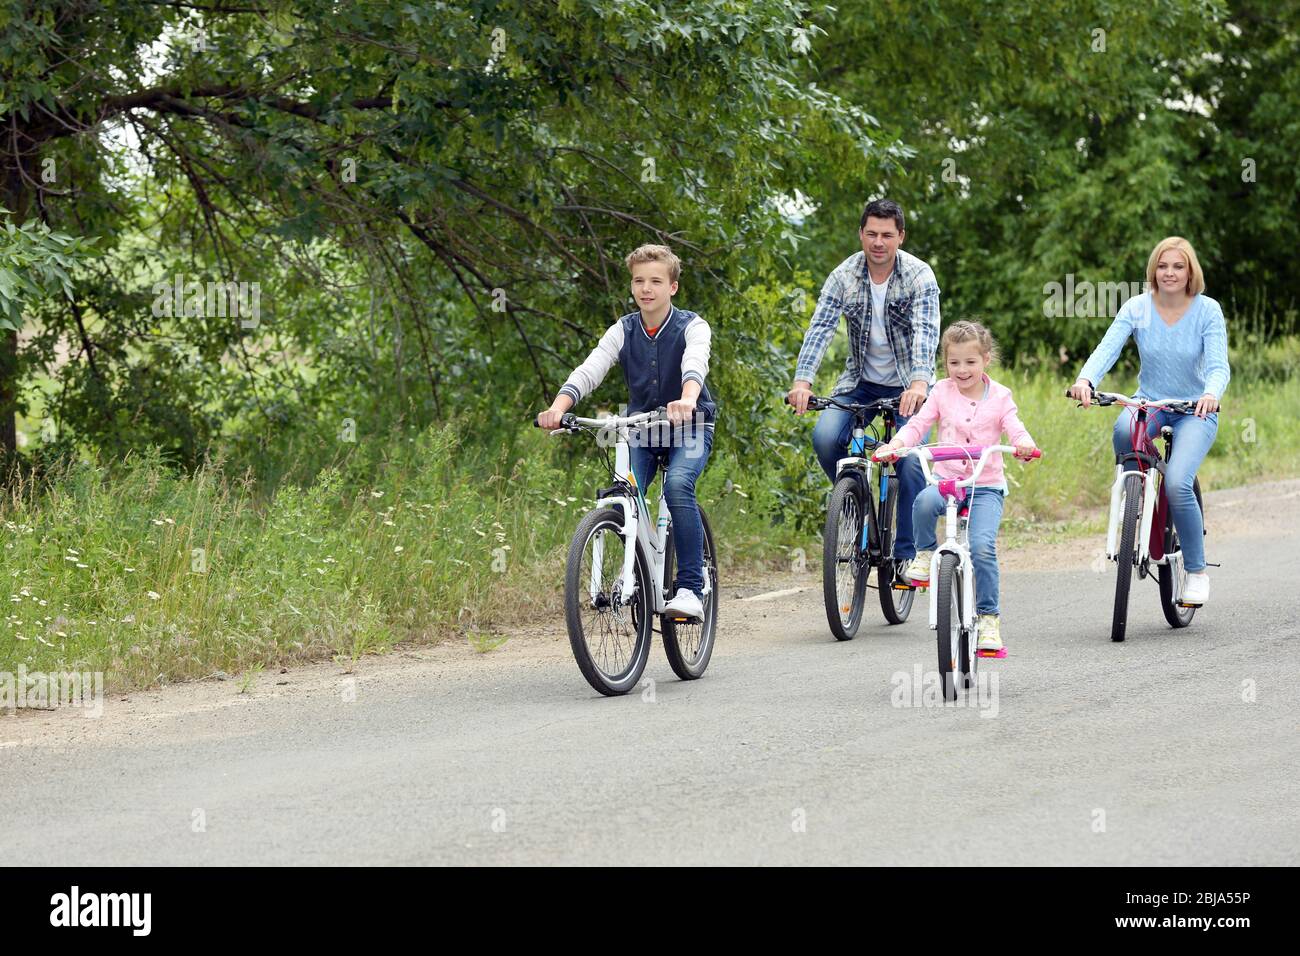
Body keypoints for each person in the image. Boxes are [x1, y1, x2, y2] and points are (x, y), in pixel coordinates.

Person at [537, 243, 716, 620]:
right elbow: (591, 368)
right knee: (622, 492)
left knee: (678, 485)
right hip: (641, 426)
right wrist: (558, 408)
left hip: (690, 423)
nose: (645, 288)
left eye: (655, 281)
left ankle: (689, 588)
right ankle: (634, 574)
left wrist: (687, 398)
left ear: (673, 287)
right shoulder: (624, 329)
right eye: (638, 281)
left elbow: (695, 362)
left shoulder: (693, 326)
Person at [1067, 236, 1229, 606]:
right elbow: (1107, 349)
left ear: (1191, 272)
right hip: (1148, 404)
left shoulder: (1208, 311)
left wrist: (1211, 394)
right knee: (1124, 429)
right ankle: (1135, 492)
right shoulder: (1137, 307)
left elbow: (1219, 367)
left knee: (1176, 482)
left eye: (1178, 266)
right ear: (1153, 270)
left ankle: (1197, 571)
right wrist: (1085, 381)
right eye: (1162, 265)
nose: (1169, 273)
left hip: (1195, 410)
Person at [786, 198, 940, 575]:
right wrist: (802, 382)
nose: (878, 242)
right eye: (871, 233)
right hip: (860, 384)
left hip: (909, 386)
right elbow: (820, 329)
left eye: (887, 235)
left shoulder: (919, 276)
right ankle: (854, 503)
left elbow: (926, 332)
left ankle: (906, 554)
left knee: (908, 461)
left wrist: (920, 382)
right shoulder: (844, 275)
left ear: (900, 237)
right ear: (861, 234)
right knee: (825, 437)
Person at [877, 321, 1038, 654]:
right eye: (954, 363)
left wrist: (1023, 443)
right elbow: (919, 424)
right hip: (947, 481)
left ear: (986, 360)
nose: (962, 370)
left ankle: (989, 620)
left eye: (970, 362)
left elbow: (1014, 426)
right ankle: (923, 554)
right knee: (922, 502)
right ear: (945, 363)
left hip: (986, 486)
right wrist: (896, 444)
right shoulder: (940, 392)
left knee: (981, 547)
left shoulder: (1001, 397)